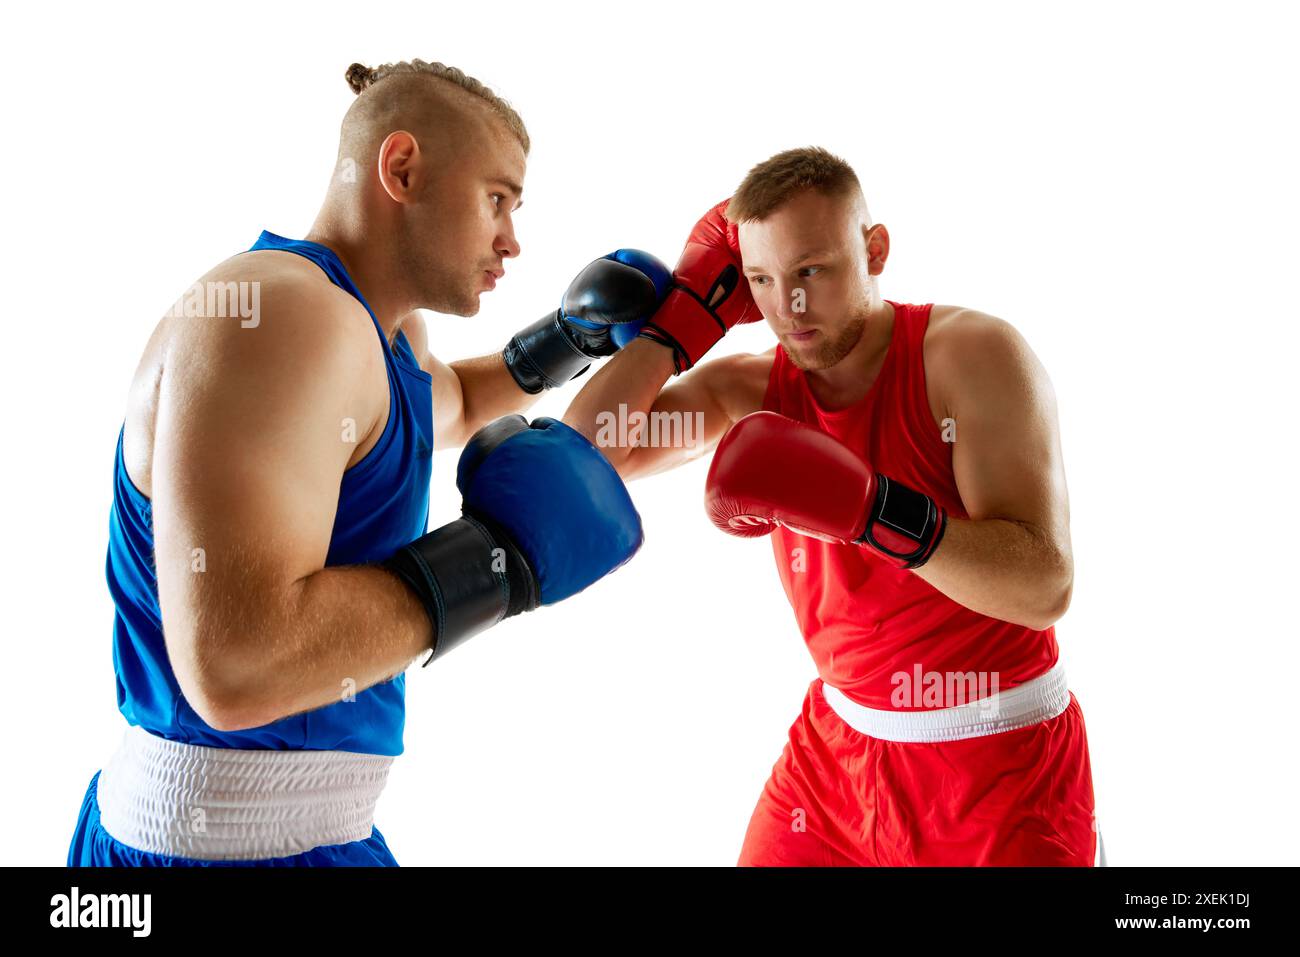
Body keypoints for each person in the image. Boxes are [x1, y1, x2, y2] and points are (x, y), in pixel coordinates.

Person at [67, 58, 668, 867]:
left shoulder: (381, 331)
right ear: (403, 167)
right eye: (497, 198)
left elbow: (444, 402)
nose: (512, 239)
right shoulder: (282, 314)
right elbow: (235, 666)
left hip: (311, 831)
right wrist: (496, 567)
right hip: (215, 847)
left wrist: (568, 339)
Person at [563, 146, 1101, 866]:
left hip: (999, 761)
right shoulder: (754, 387)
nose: (788, 307)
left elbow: (1045, 585)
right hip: (834, 765)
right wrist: (679, 326)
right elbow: (586, 455)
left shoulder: (968, 355)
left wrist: (874, 511)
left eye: (810, 271)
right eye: (761, 280)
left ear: (874, 250)